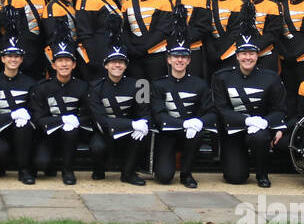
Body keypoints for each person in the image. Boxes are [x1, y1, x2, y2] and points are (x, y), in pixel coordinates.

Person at [211, 29, 286, 187]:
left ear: (257, 55)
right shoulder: (222, 77)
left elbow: (279, 109)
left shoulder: (270, 77)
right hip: (233, 130)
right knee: (235, 178)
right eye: (243, 53)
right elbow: (221, 109)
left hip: (260, 129)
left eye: (251, 53)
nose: (247, 57)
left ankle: (262, 173)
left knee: (259, 138)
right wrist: (247, 121)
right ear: (237, 56)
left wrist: (267, 123)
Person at [150, 35, 213, 188]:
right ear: (168, 60)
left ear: (189, 60)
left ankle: (187, 173)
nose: (180, 60)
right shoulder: (158, 84)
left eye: (184, 57)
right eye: (175, 56)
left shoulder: (200, 84)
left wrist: (200, 122)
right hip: (167, 133)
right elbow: (159, 116)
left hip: (190, 134)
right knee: (164, 177)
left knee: (197, 133)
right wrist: (185, 123)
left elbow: (211, 112)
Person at [86, 43, 149, 185]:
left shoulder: (141, 85)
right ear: (106, 65)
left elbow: (145, 112)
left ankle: (128, 173)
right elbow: (101, 120)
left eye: (121, 62)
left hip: (129, 132)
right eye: (113, 62)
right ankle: (99, 168)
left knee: (142, 133)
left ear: (126, 66)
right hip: (105, 132)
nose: (117, 65)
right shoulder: (95, 86)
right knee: (97, 147)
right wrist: (132, 124)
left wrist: (144, 122)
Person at [30, 40, 92, 185]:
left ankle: (68, 170)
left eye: (68, 60)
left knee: (70, 132)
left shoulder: (83, 87)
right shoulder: (42, 88)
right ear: (53, 65)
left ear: (74, 64)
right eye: (60, 61)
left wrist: (77, 121)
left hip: (72, 134)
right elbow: (38, 118)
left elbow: (89, 114)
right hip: (48, 133)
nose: (64, 64)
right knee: (41, 164)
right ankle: (49, 163)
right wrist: (62, 120)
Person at [0, 35, 38, 183]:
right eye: (9, 56)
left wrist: (25, 116)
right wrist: (13, 115)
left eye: (17, 56)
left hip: (22, 131)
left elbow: (35, 111)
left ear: (22, 59)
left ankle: (24, 170)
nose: (13, 59)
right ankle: (0, 166)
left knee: (24, 128)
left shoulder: (30, 83)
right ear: (3, 59)